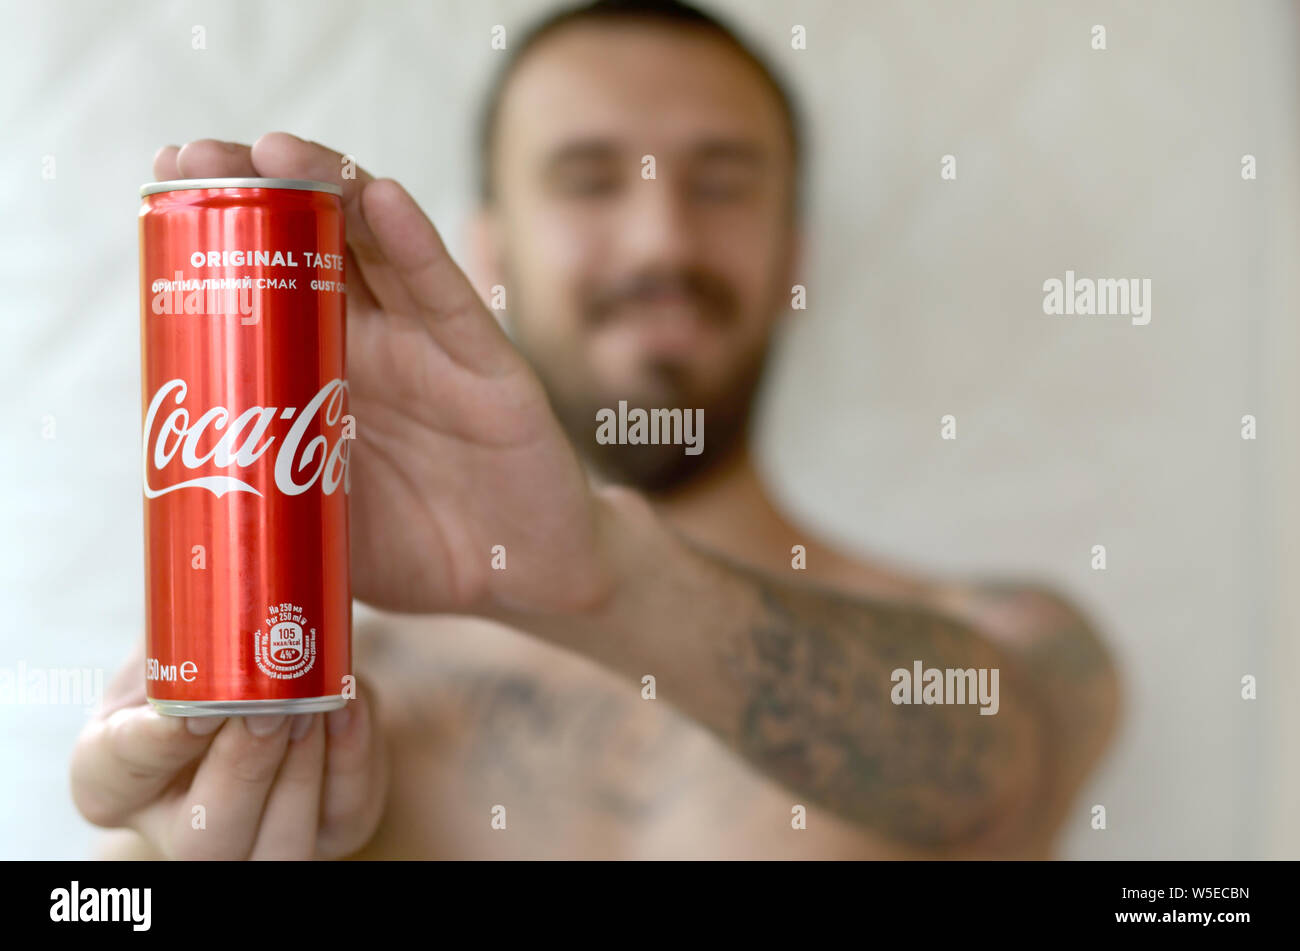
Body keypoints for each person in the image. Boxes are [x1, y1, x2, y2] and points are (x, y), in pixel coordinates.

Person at [71, 0, 1120, 859]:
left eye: (721, 183)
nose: (661, 238)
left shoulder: (1004, 641)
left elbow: (1005, 772)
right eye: (588, 180)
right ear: (491, 251)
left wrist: (600, 578)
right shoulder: (334, 700)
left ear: (793, 255)